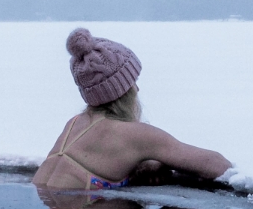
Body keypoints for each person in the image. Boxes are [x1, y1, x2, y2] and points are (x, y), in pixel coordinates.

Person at [32, 28, 232, 192]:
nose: (137, 89)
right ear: (122, 91)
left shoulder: (75, 123)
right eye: (132, 83)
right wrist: (164, 164)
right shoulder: (136, 135)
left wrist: (143, 165)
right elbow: (218, 165)